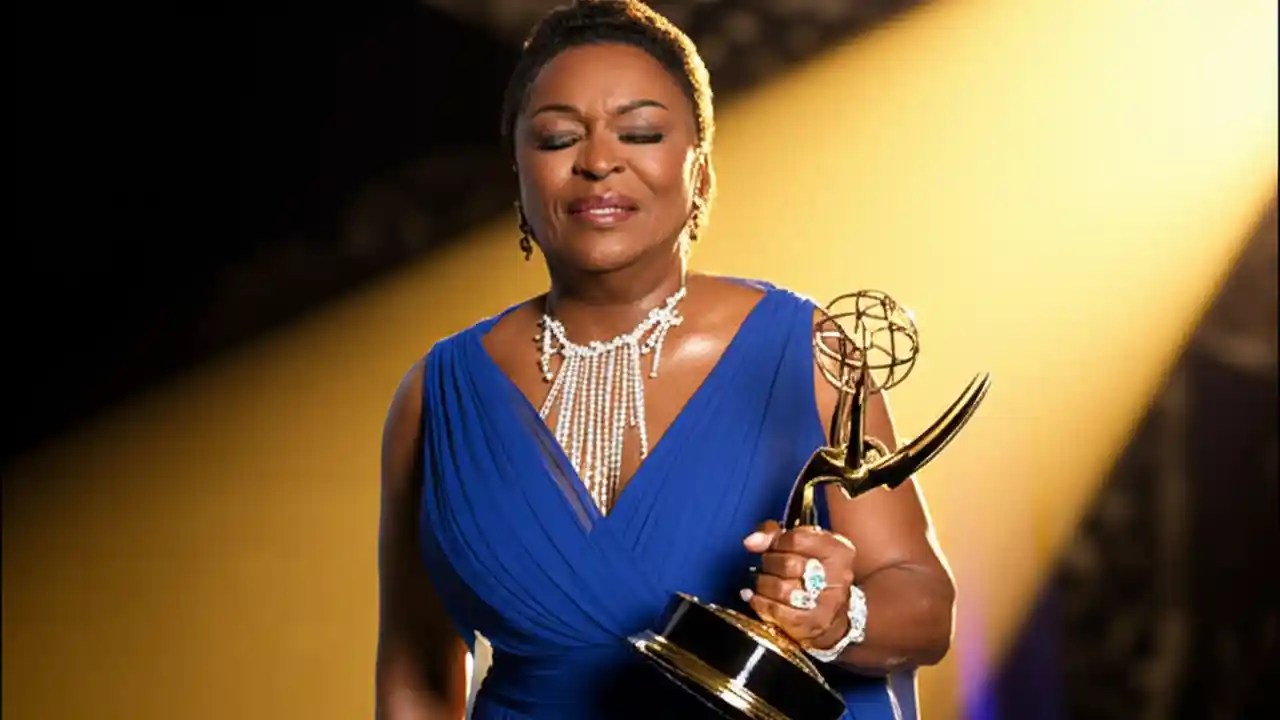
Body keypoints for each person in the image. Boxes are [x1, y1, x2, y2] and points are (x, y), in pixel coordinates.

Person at [375, 2, 956, 718]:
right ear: (519, 178)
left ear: (700, 175)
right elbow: (416, 670)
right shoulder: (437, 395)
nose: (596, 161)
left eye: (641, 132)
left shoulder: (805, 350)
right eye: (558, 138)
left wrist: (841, 619)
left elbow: (926, 605)